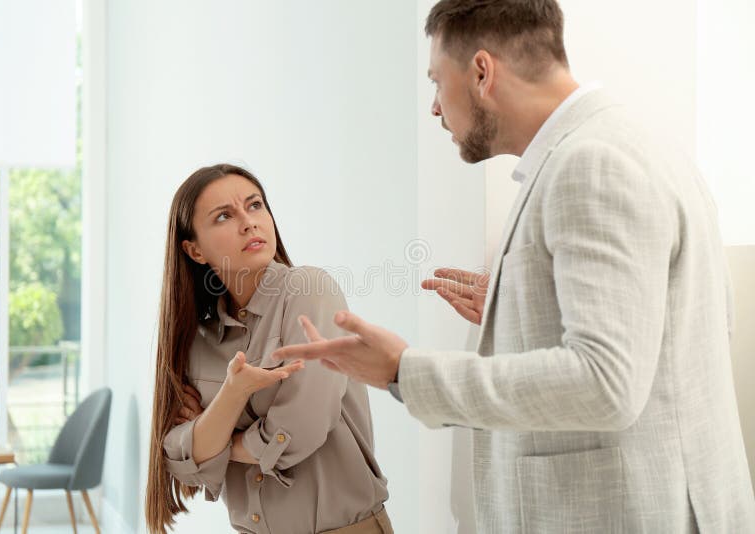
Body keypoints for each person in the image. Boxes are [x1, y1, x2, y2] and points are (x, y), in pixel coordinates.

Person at [272, 1, 755, 532]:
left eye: (437, 81)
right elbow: (666, 335)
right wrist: (524, 313)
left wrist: (402, 370)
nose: (434, 107)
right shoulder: (635, 145)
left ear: (482, 72)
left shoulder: (590, 165)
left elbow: (606, 385)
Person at [144, 164, 393, 534]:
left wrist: (216, 439)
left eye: (255, 205)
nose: (249, 223)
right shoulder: (198, 339)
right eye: (225, 216)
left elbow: (298, 431)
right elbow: (181, 459)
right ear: (194, 250)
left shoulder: (309, 290)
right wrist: (233, 393)